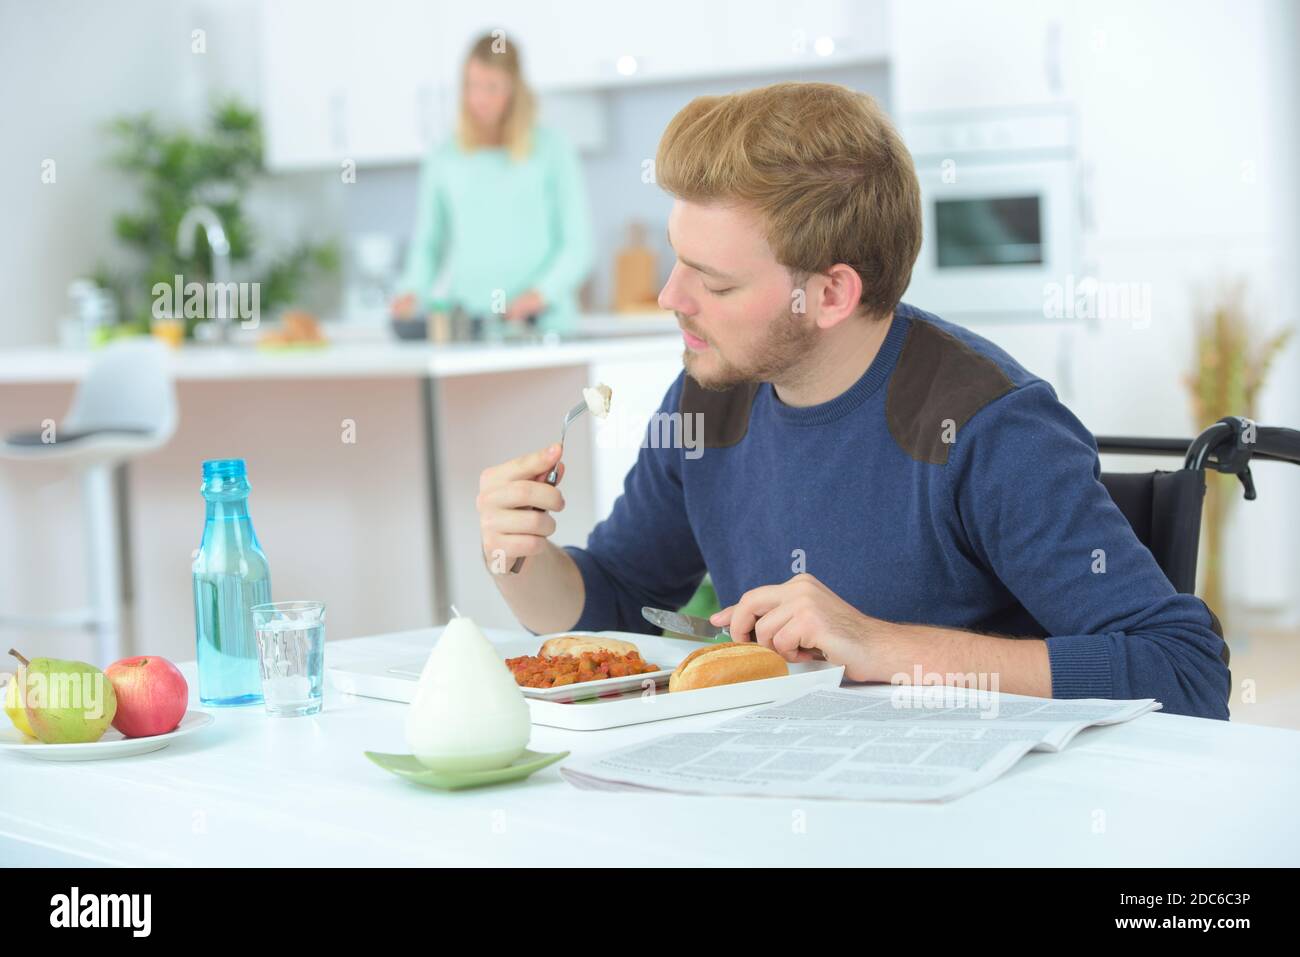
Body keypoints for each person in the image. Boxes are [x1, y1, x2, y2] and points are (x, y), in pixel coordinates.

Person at [474, 81, 1230, 720]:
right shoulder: (706, 399)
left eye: (718, 281)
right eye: (679, 260)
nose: (671, 297)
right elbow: (620, 604)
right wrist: (519, 558)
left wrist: (881, 646)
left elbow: (1186, 672)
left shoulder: (990, 428)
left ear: (830, 293)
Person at [393, 33, 592, 334]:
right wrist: (411, 290)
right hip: (471, 327)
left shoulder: (552, 150)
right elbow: (428, 245)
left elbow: (578, 246)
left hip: (543, 326)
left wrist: (539, 294)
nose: (480, 99)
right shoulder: (444, 158)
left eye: (492, 87)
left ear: (514, 89)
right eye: (471, 86)